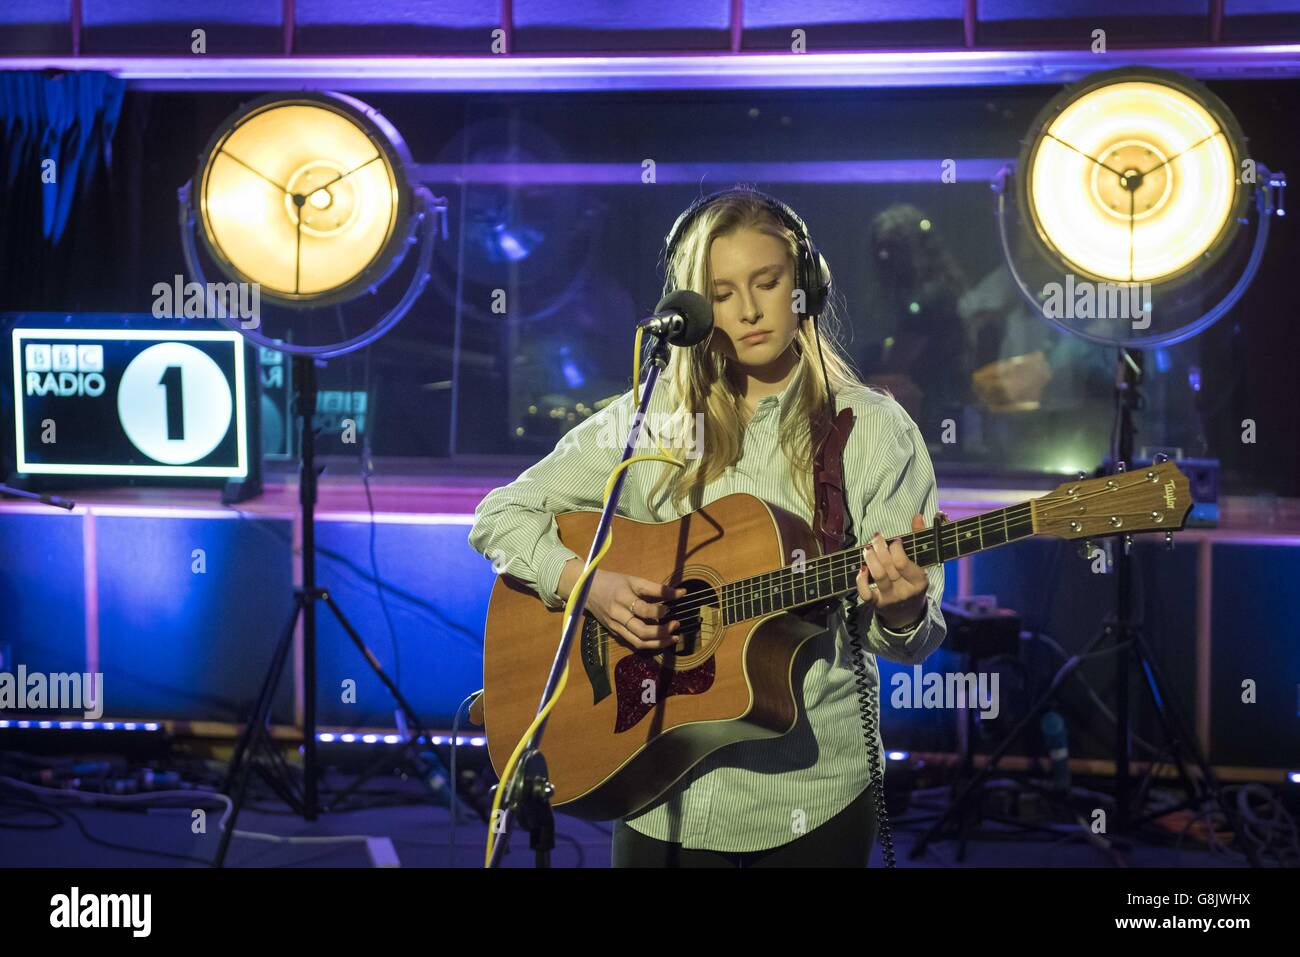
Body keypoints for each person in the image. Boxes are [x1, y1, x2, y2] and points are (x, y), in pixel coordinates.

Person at [468, 186, 947, 867]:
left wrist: (902, 609)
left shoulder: (871, 430)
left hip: (811, 793)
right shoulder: (652, 418)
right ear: (694, 308)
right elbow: (499, 516)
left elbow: (909, 640)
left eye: (767, 283)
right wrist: (587, 583)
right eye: (721, 293)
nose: (749, 310)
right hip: (659, 790)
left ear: (804, 286)